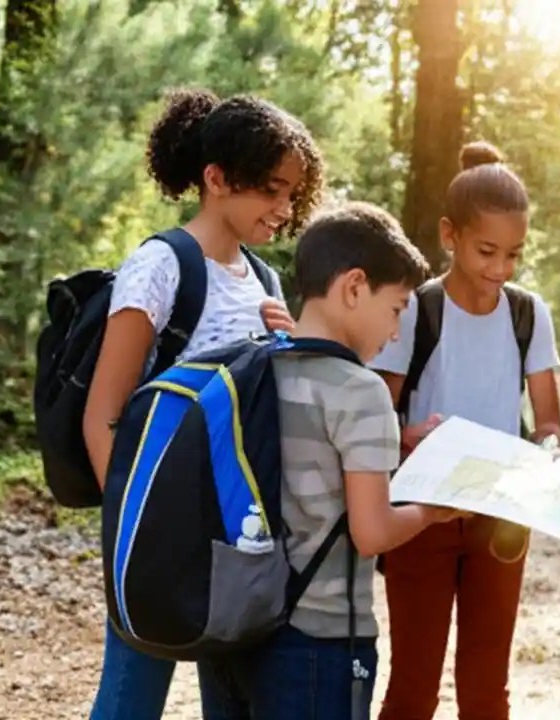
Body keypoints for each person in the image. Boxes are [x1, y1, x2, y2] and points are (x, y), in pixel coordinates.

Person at [82, 87, 323, 720]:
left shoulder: (266, 280)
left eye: (292, 193)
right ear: (216, 178)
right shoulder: (161, 267)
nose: (284, 207)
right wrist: (136, 530)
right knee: (131, 703)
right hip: (157, 535)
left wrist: (291, 341)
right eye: (271, 189)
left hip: (240, 539)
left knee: (235, 702)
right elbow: (104, 412)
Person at [196, 201, 461, 720]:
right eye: (397, 308)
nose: (393, 332)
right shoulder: (361, 391)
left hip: (232, 629)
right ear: (354, 286)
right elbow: (373, 531)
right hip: (319, 642)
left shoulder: (251, 369)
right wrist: (435, 510)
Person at [373, 142, 560, 720]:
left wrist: (549, 452)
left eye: (513, 254)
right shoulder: (415, 310)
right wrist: (407, 437)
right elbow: (379, 413)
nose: (500, 269)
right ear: (449, 235)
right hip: (423, 514)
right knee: (414, 686)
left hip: (502, 516)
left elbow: (550, 419)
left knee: (487, 689)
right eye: (487, 251)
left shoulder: (528, 314)